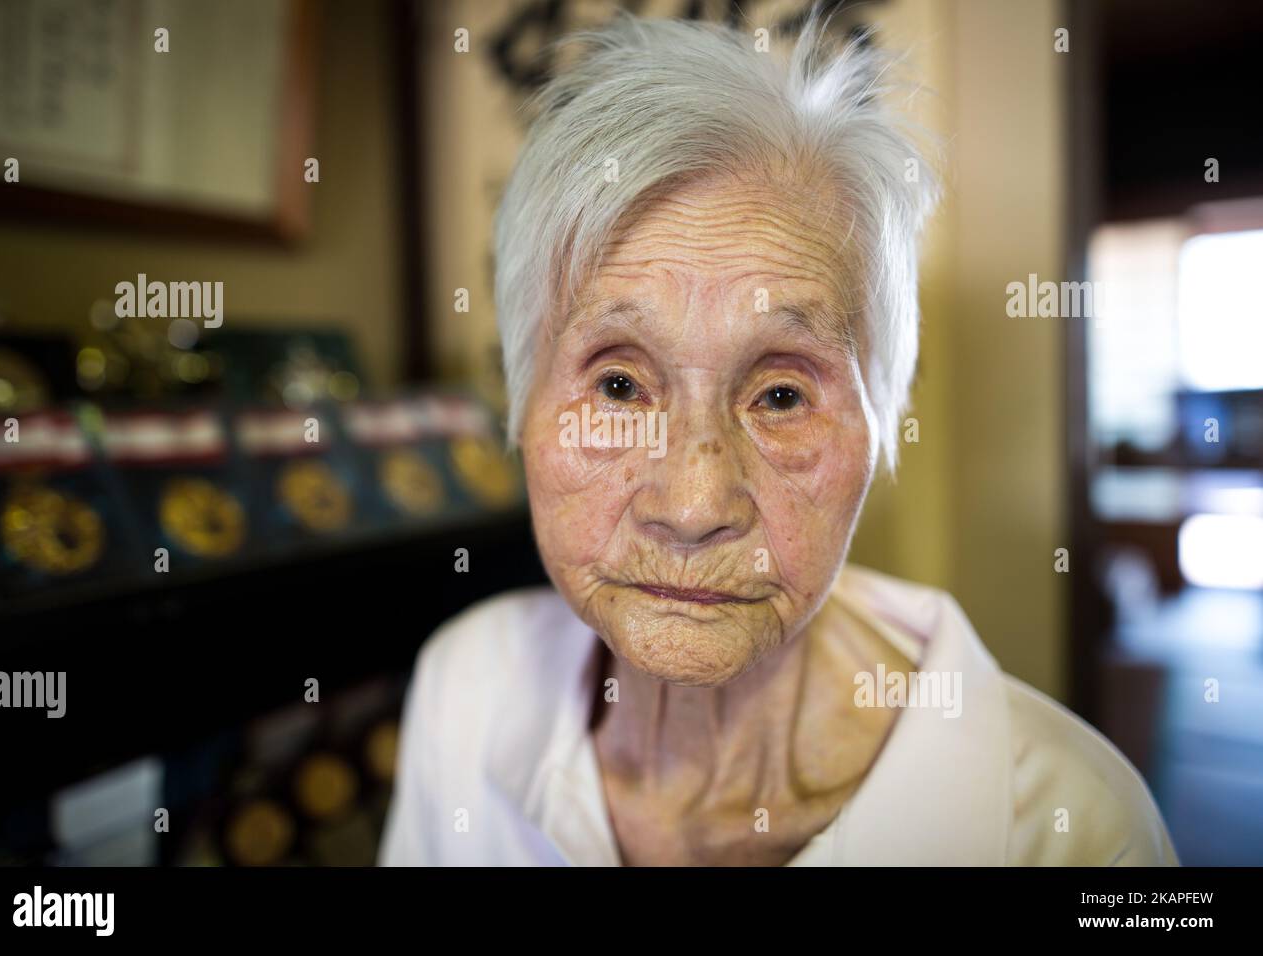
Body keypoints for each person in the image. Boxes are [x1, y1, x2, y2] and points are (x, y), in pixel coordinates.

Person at [379, 13, 1177, 866]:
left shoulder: (1078, 827)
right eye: (618, 385)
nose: (692, 508)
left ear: (882, 424)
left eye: (783, 395)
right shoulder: (463, 687)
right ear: (525, 400)